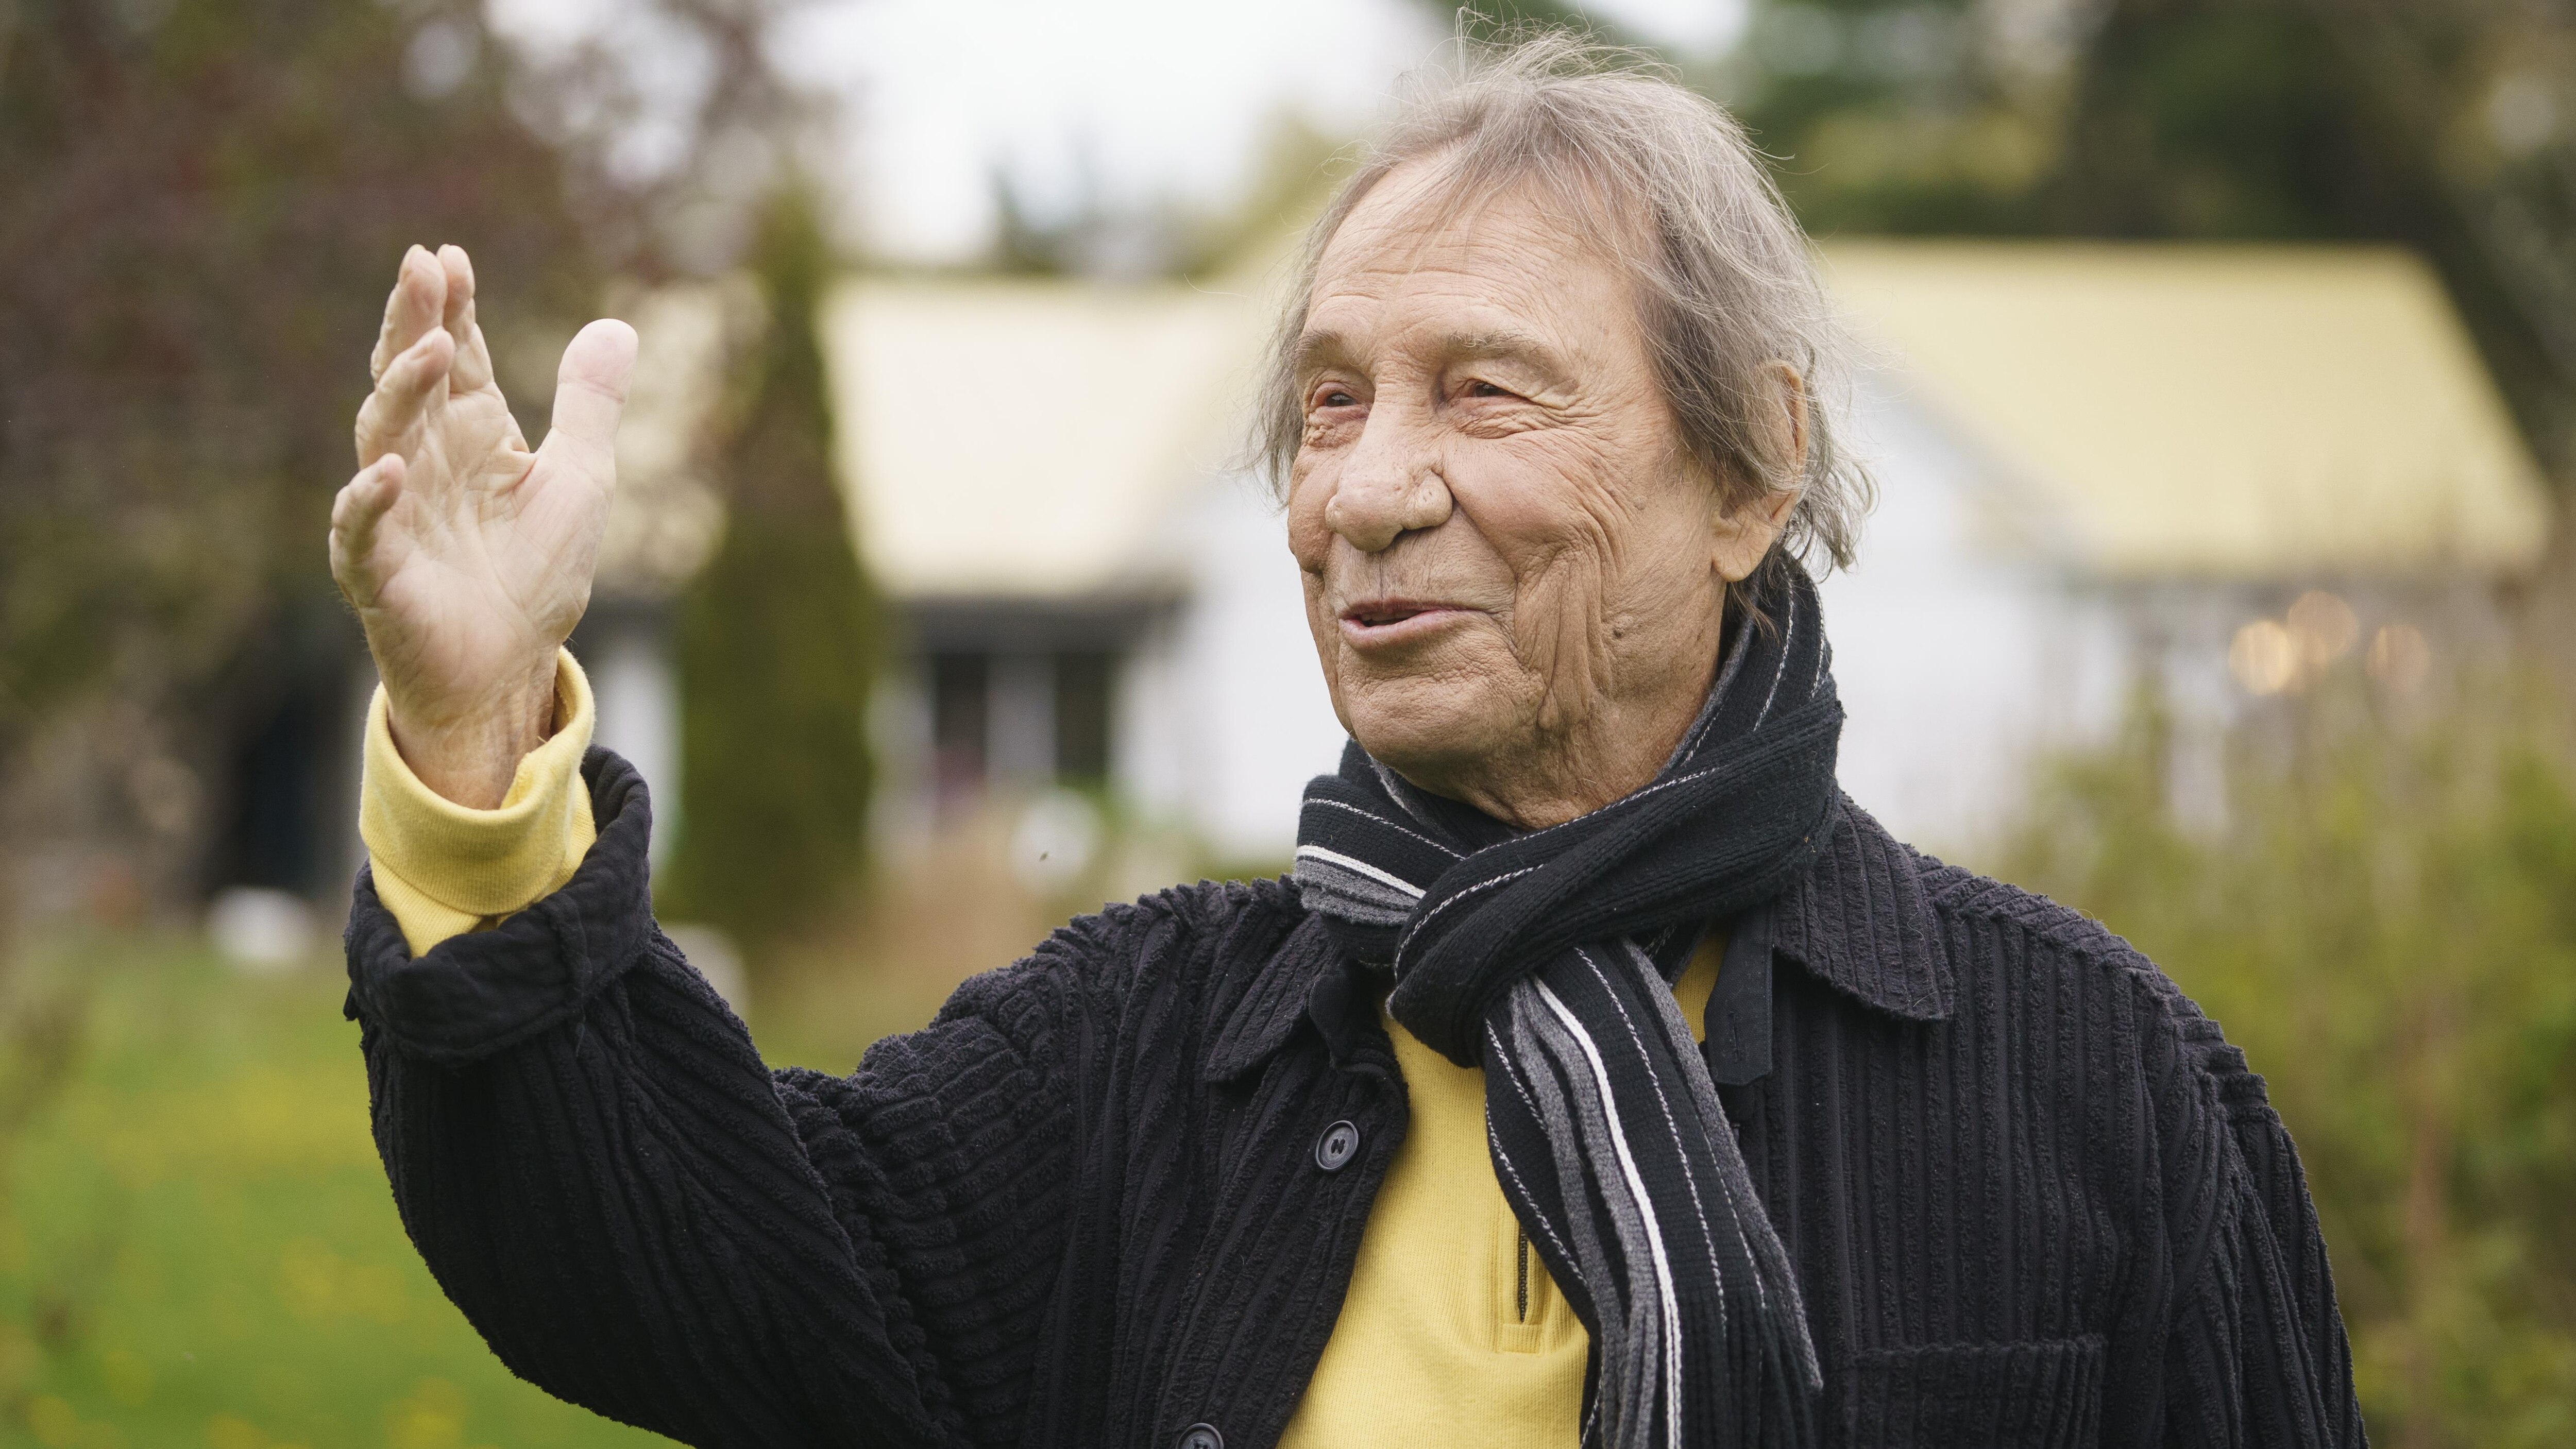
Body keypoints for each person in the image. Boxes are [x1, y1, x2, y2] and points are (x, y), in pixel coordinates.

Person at [329, 37, 2363, 1449]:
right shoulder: (1142, 1050)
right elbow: (679, 1258)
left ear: (1749, 477)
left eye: (1482, 392)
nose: (1364, 492)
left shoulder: (2100, 1089)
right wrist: (472, 729)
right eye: (1324, 402)